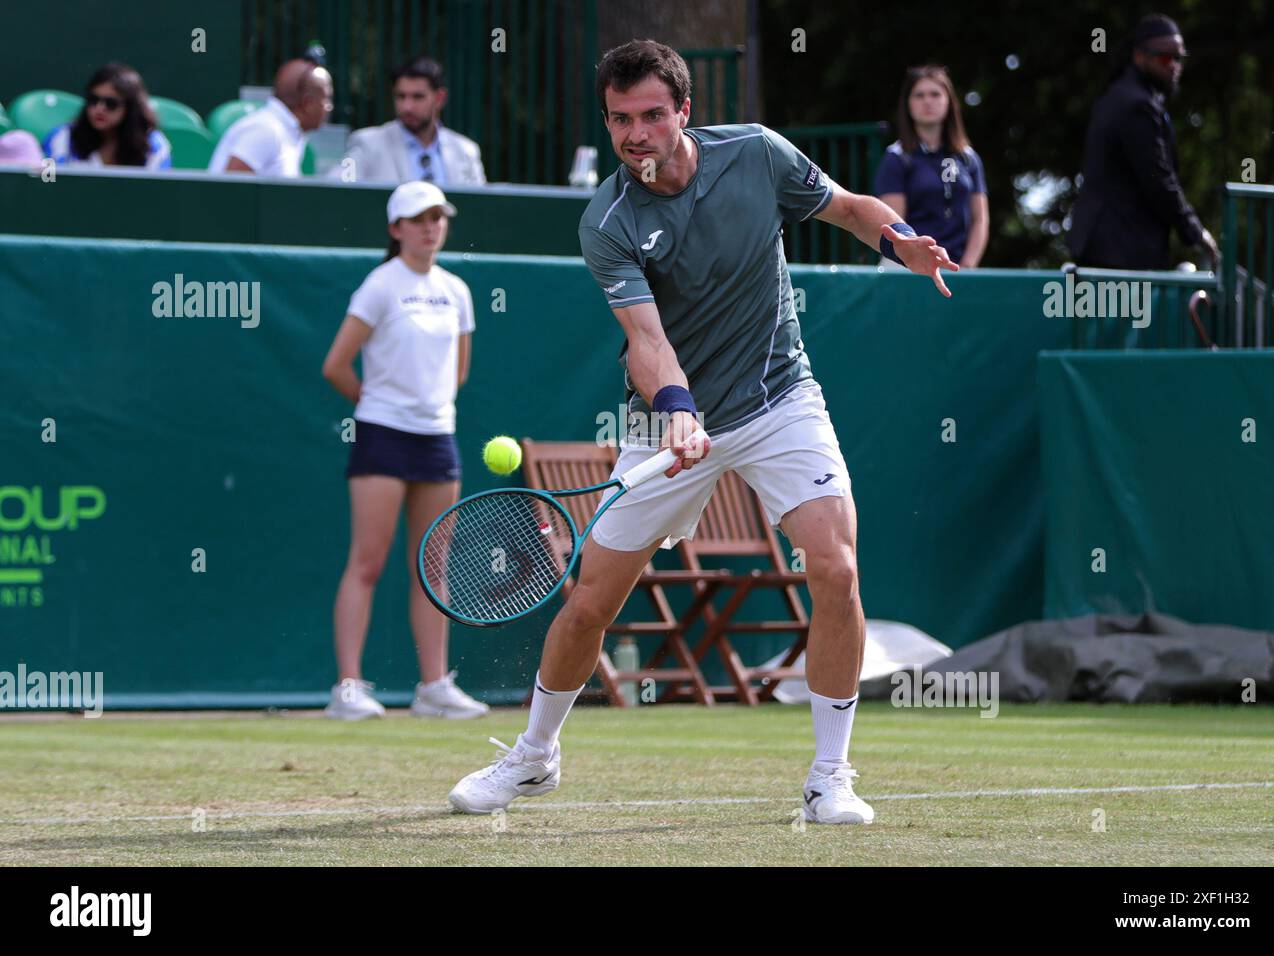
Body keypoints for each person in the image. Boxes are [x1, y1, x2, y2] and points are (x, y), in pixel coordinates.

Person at [447, 40, 956, 824]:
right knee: (589, 603)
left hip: (781, 399)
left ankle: (830, 776)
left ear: (685, 111)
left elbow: (851, 207)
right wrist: (680, 409)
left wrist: (899, 244)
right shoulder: (607, 222)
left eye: (653, 115)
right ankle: (535, 758)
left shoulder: (756, 153)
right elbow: (647, 341)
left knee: (837, 569)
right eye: (620, 120)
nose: (636, 134)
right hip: (669, 425)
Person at [321, 180, 488, 720]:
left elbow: (459, 372)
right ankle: (347, 687)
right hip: (382, 435)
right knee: (367, 562)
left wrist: (425, 408)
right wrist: (379, 406)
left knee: (434, 566)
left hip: (438, 437)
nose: (431, 226)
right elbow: (336, 366)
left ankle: (434, 687)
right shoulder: (379, 285)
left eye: (438, 217)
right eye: (418, 218)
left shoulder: (457, 291)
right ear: (396, 229)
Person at [1067, 13, 1218, 270]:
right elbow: (1158, 179)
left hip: (1109, 247)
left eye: (1179, 58)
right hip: (1120, 251)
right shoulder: (1136, 105)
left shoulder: (1120, 95)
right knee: (1126, 311)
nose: (1173, 65)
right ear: (1139, 56)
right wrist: (1196, 232)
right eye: (1165, 57)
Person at [874, 65, 986, 269]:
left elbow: (980, 219)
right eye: (919, 95)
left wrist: (967, 267)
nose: (927, 101)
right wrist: (920, 263)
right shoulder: (897, 157)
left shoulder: (968, 158)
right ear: (908, 103)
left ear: (949, 101)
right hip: (910, 268)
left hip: (958, 268)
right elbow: (895, 226)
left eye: (935, 94)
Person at [343, 57, 487, 185]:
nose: (407, 107)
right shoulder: (367, 144)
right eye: (401, 96)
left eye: (418, 97)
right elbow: (336, 189)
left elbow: (480, 208)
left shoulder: (466, 151)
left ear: (439, 98)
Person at [208, 59, 332, 176]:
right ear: (308, 104)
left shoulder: (288, 131)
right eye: (327, 99)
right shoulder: (265, 130)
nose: (329, 107)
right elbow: (230, 191)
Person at [44, 63, 171, 170]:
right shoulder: (63, 137)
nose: (99, 109)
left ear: (131, 108)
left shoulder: (154, 145)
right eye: (93, 100)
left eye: (111, 103)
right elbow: (48, 186)